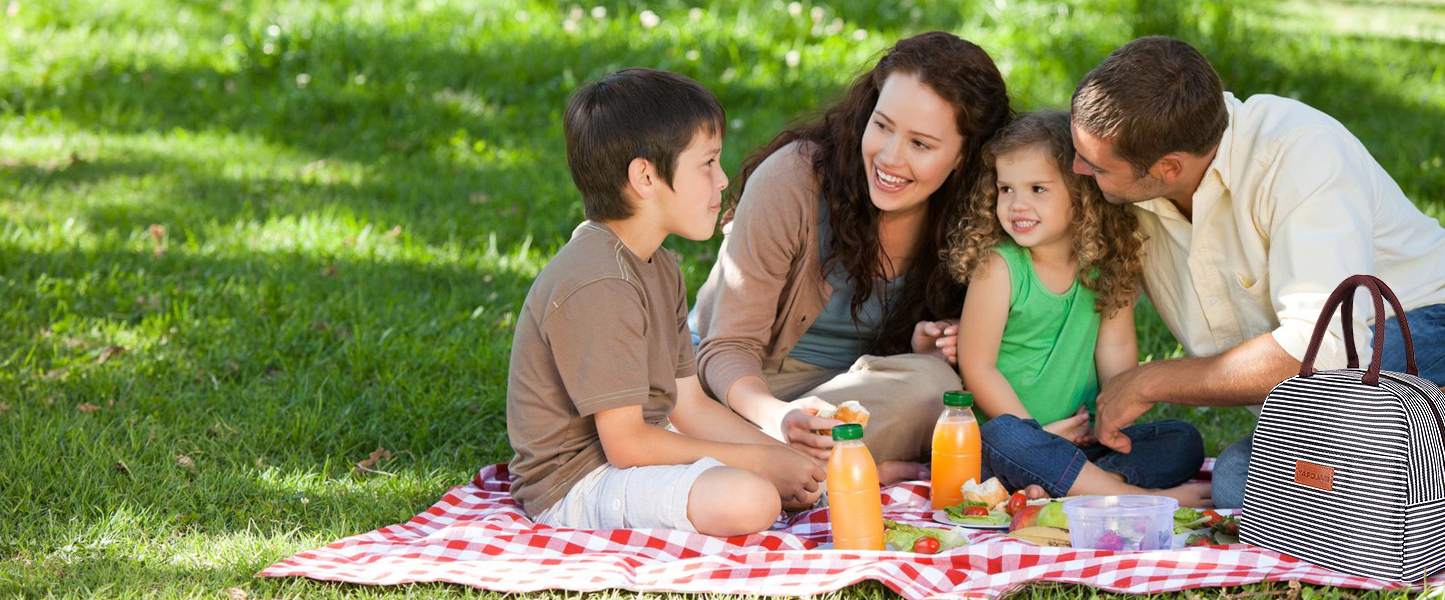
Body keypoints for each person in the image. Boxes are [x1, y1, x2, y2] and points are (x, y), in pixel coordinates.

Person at [1067, 36, 1445, 508]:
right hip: (1325, 387)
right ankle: (1416, 473)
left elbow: (1320, 351)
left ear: (1169, 167)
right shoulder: (1137, 181)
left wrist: (1150, 380)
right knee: (1243, 482)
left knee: (1244, 481)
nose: (1076, 167)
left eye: (1097, 166)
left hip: (1419, 329)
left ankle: (1422, 465)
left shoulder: (1299, 153)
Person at [506, 69, 825, 536]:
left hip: (642, 450)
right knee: (751, 496)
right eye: (708, 163)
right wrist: (760, 461)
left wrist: (778, 454)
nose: (722, 180)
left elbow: (689, 404)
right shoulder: (599, 282)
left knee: (781, 474)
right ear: (646, 176)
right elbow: (626, 445)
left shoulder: (659, 265)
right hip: (575, 482)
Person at [688, 31, 1012, 484]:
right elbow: (726, 348)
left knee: (934, 387)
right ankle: (842, 470)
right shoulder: (792, 181)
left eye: (921, 144)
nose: (889, 157)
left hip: (852, 399)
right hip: (743, 388)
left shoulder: (981, 215)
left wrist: (931, 346)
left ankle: (780, 468)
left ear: (964, 155)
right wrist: (778, 417)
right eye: (882, 126)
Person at [946, 110, 1209, 507]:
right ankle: (1133, 497)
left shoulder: (1106, 266)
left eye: (1037, 189)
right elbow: (977, 367)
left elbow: (1116, 352)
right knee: (1005, 436)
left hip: (1081, 442)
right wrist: (1038, 433)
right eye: (1006, 189)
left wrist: (1113, 424)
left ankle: (1077, 485)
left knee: (1182, 441)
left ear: (1081, 195)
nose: (1017, 204)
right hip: (1012, 445)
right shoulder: (999, 267)